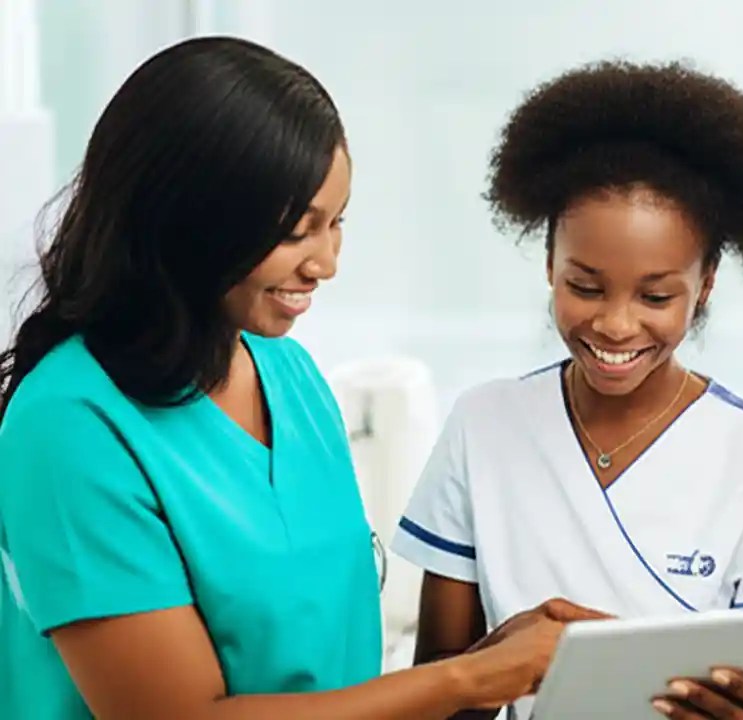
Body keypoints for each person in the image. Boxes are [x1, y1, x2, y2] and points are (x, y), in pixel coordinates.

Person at [0, 36, 603, 720]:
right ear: (184, 221)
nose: (326, 263)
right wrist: (468, 680)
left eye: (336, 222)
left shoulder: (287, 372)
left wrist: (491, 662)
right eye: (296, 232)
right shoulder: (71, 427)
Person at [391, 60, 743, 720]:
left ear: (708, 283)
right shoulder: (484, 424)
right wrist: (501, 662)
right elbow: (437, 697)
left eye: (656, 295)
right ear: (549, 262)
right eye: (584, 286)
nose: (615, 323)